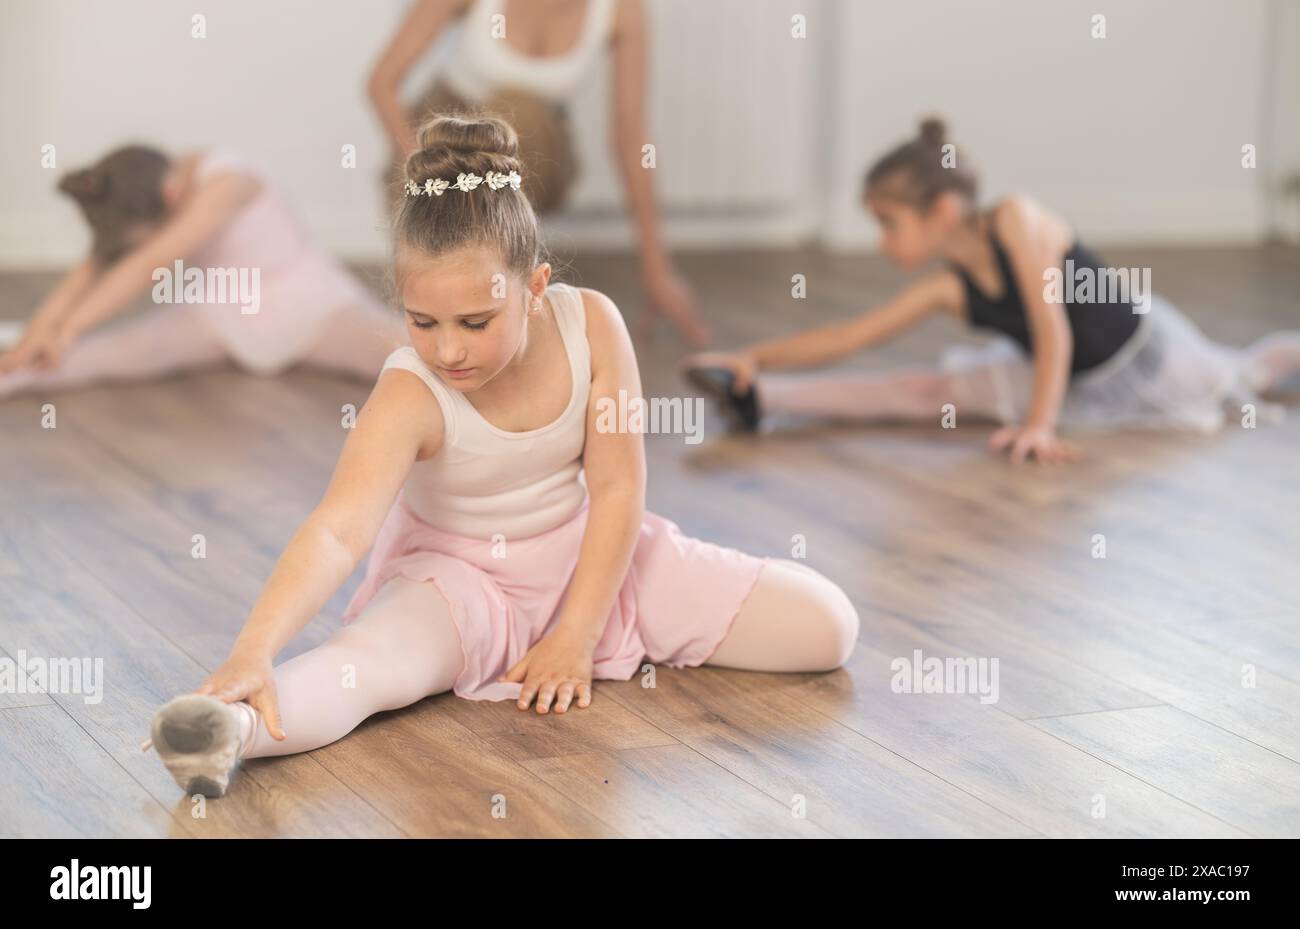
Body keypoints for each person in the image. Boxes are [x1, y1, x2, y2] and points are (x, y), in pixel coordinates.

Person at [144, 113, 858, 798]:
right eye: (423, 322)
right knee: (368, 668)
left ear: (535, 287)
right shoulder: (409, 390)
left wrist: (576, 634)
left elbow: (617, 490)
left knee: (827, 626)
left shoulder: (595, 325)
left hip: (593, 559)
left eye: (475, 322)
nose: (448, 348)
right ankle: (227, 731)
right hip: (458, 582)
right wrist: (254, 645)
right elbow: (338, 529)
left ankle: (616, 620)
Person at [682, 118, 1300, 464]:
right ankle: (760, 397)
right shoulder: (950, 287)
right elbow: (850, 335)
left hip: (1145, 361)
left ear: (944, 210)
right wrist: (753, 356)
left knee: (1250, 373)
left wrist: (1038, 425)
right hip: (1053, 376)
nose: (881, 242)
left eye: (888, 223)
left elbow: (1051, 324)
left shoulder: (1016, 219)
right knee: (927, 389)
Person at [367, 0, 712, 345]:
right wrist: (432, 175)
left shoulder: (621, 9)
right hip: (438, 146)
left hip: (532, 149)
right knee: (438, 272)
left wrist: (658, 272)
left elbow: (630, 139)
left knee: (519, 111)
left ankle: (499, 302)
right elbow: (381, 82)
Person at [0, 145, 402, 397]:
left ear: (172, 196)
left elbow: (148, 264)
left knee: (401, 352)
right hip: (219, 316)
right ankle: (14, 375)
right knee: (109, 353)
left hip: (310, 307)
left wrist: (68, 329)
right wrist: (39, 332)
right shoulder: (145, 193)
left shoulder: (228, 182)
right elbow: (94, 265)